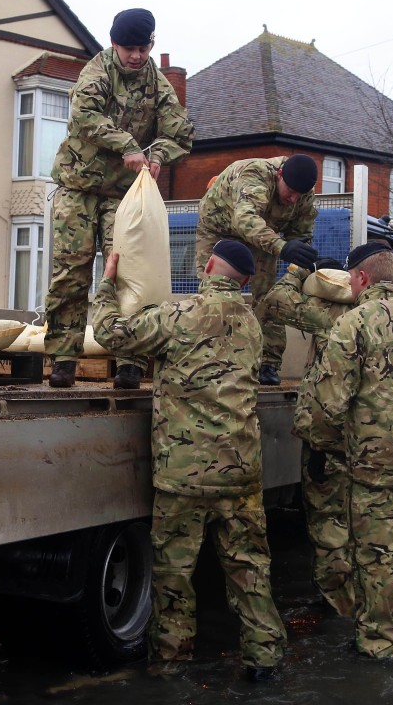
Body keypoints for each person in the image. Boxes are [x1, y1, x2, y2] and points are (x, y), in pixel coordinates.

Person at [91, 239, 287, 681]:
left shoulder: (179, 316)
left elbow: (111, 334)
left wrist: (106, 286)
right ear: (245, 280)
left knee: (173, 579)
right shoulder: (252, 325)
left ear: (210, 266)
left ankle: (171, 666)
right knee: (250, 570)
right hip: (240, 474)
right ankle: (265, 658)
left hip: (184, 478)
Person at [294, 241, 393, 658]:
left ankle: (377, 643)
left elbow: (329, 401)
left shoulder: (353, 324)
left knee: (377, 557)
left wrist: (320, 447)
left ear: (359, 278)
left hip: (375, 466)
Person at [44, 7, 195, 390]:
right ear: (114, 44)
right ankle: (63, 357)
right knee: (71, 272)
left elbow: (181, 133)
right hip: (78, 187)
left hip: (123, 195)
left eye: (143, 48)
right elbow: (83, 116)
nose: (136, 56)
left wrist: (157, 155)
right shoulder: (97, 71)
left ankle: (130, 359)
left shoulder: (157, 83)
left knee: (129, 272)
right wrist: (127, 144)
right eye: (129, 48)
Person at [257, 255, 355, 617]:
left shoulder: (328, 316)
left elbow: (274, 303)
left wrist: (297, 272)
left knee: (330, 522)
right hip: (378, 443)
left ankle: (339, 606)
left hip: (332, 440)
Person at [196, 155, 319, 385]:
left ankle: (268, 363)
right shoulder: (256, 174)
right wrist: (282, 247)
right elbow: (245, 220)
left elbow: (301, 233)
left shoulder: (303, 195)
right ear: (280, 175)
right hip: (219, 228)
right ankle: (208, 358)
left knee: (268, 295)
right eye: (290, 191)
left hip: (263, 234)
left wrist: (305, 257)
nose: (293, 199)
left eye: (299, 195)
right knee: (213, 291)